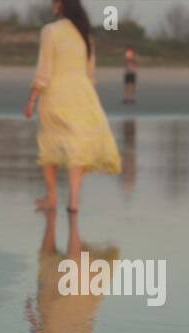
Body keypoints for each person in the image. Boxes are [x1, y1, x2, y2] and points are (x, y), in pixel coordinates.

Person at [24, 0, 121, 214]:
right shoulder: (86, 34)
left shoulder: (50, 31)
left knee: (50, 145)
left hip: (56, 93)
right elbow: (90, 73)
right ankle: (74, 201)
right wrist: (88, 96)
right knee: (77, 147)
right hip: (83, 93)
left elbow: (44, 70)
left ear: (60, 5)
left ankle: (51, 198)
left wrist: (32, 98)